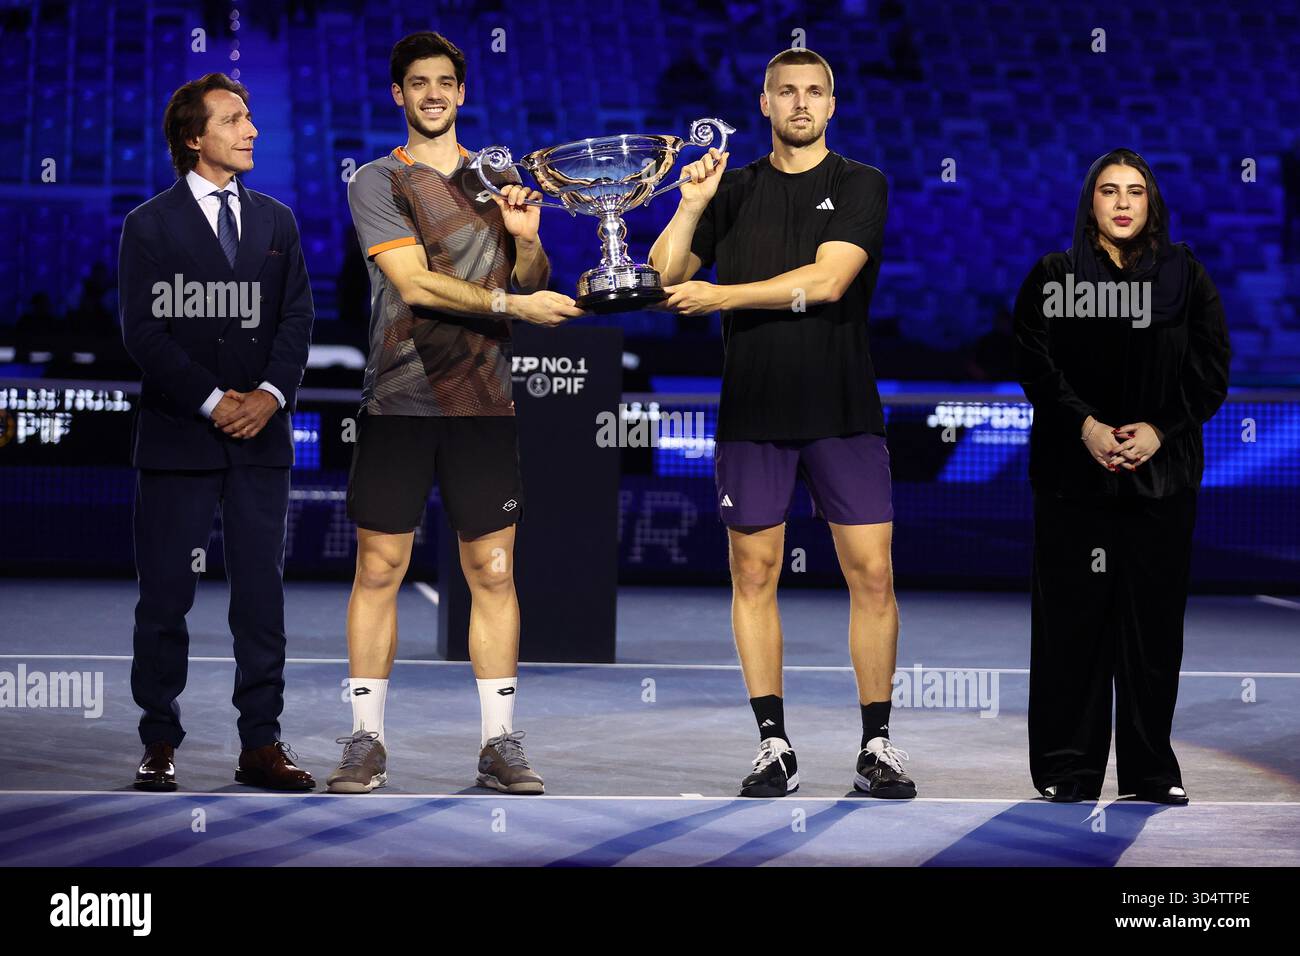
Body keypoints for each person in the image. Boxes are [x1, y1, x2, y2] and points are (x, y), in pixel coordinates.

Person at [648, 48, 914, 799]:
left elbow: (827, 283)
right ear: (763, 105)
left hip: (842, 408)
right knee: (754, 574)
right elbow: (661, 280)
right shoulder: (731, 192)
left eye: (814, 92)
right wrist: (692, 205)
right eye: (785, 92)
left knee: (872, 575)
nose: (800, 103)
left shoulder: (861, 183)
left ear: (833, 104)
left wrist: (723, 297)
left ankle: (877, 745)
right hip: (752, 412)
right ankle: (774, 745)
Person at [328, 32, 582, 795]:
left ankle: (499, 743)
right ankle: (366, 741)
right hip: (400, 399)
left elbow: (532, 274)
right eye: (417, 83)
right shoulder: (377, 181)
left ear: (462, 94)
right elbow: (414, 284)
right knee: (379, 568)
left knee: (493, 570)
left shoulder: (500, 175)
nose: (433, 94)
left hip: (484, 403)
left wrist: (528, 242)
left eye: (445, 82)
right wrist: (515, 300)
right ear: (398, 96)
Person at [1013, 148, 1231, 804]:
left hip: (1160, 485)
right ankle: (1065, 768)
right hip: (1072, 483)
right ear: (1091, 202)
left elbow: (1210, 367)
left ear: (1152, 202)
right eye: (1110, 191)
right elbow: (1033, 360)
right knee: (1071, 628)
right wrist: (1088, 428)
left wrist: (1159, 430)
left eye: (1136, 191)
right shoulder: (1055, 274)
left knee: (1152, 631)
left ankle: (1150, 772)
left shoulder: (1184, 275)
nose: (1124, 203)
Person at [119, 72, 316, 791]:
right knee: (166, 596)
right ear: (193, 138)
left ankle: (260, 744)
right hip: (178, 441)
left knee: (261, 596)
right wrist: (211, 400)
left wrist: (267, 394)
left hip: (261, 441)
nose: (251, 130)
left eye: (251, 116)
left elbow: (297, 319)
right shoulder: (148, 225)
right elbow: (142, 331)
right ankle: (159, 741)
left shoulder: (278, 222)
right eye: (234, 119)